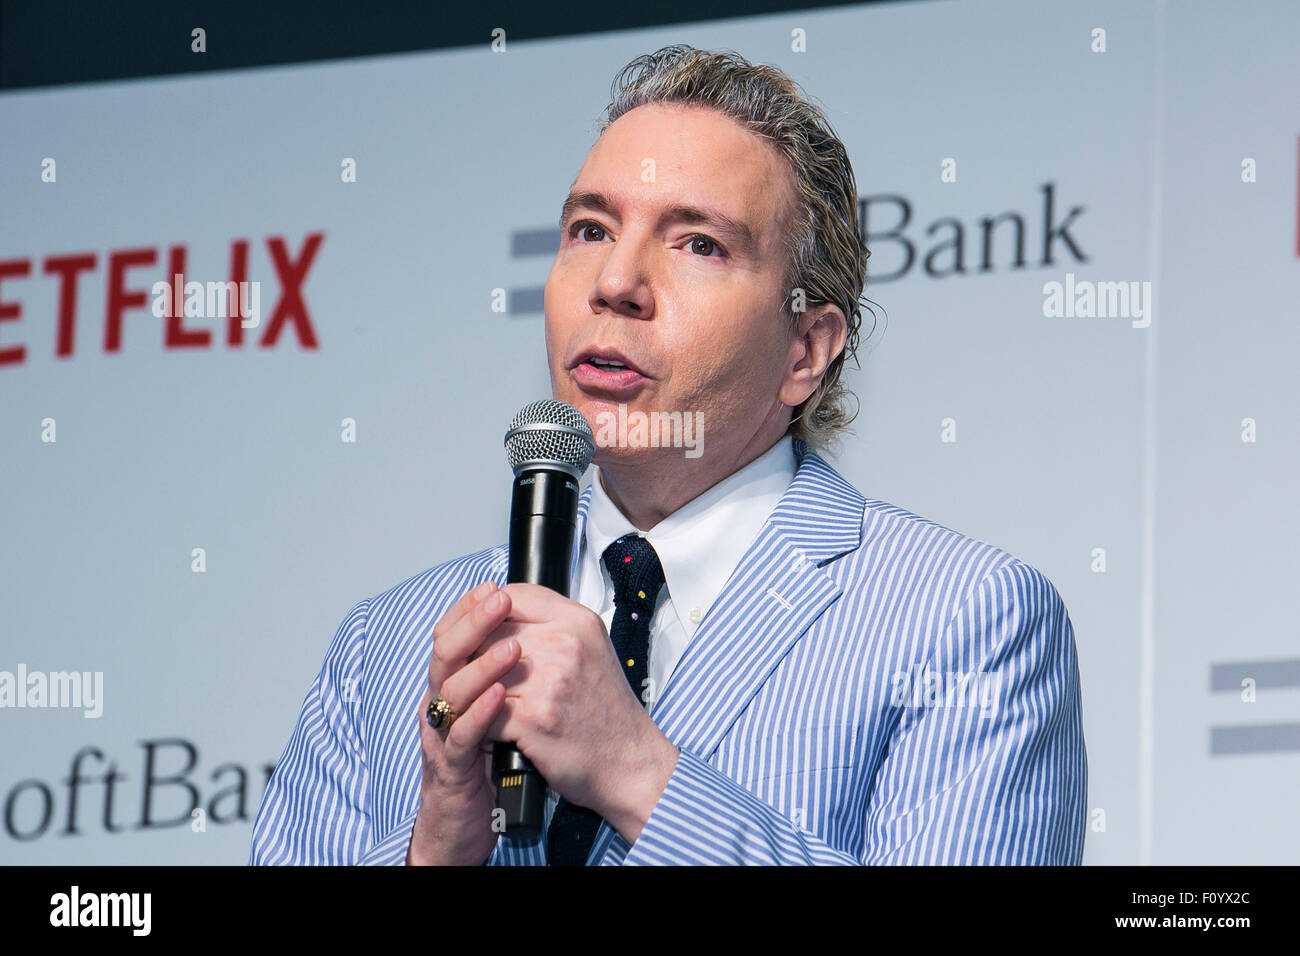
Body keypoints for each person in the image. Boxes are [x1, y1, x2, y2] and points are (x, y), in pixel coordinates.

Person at [249, 44, 1086, 866]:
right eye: (589, 228)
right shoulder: (383, 648)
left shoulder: (966, 621)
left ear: (805, 348)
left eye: (698, 244)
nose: (615, 281)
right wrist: (436, 852)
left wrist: (638, 774)